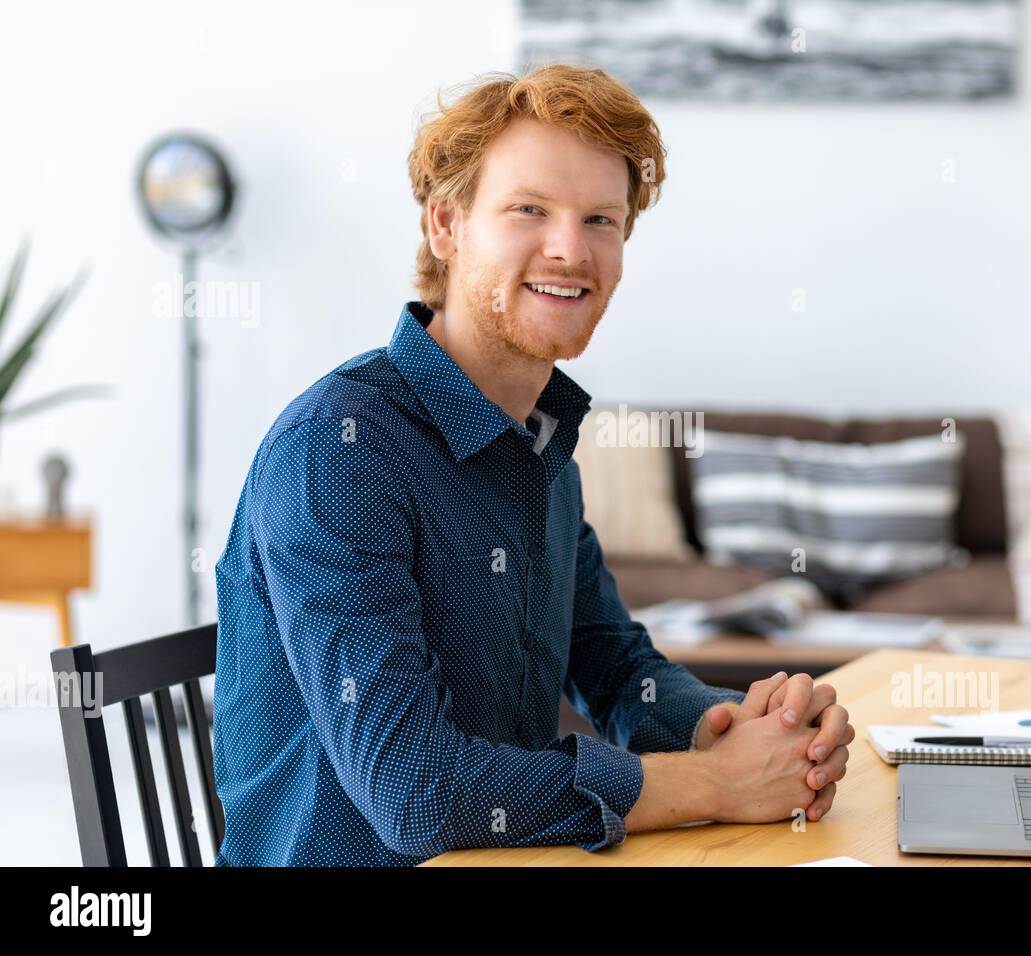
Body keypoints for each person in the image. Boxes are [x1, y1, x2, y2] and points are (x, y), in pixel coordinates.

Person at [211, 63, 854, 866]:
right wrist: (717, 785)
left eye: (601, 219)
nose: (569, 249)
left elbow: (615, 667)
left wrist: (749, 732)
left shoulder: (539, 443)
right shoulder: (337, 451)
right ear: (446, 227)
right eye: (529, 210)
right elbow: (418, 792)